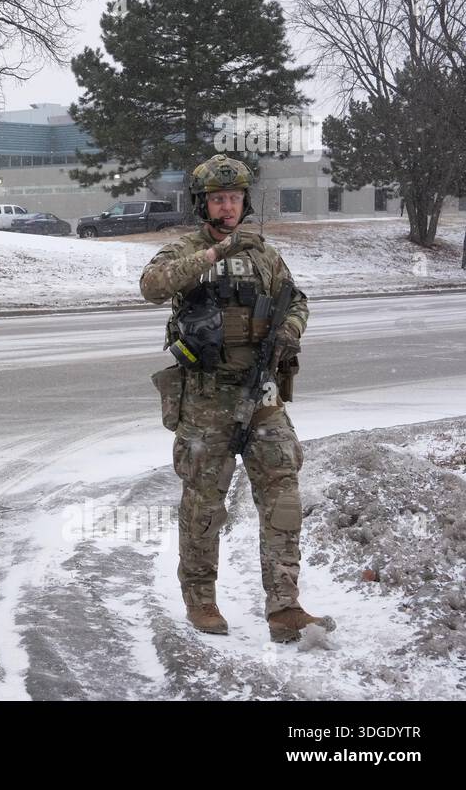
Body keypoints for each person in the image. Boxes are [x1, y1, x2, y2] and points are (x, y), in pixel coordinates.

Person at [140, 154, 335, 643]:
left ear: (245, 201)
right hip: (207, 398)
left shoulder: (265, 254)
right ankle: (202, 601)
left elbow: (298, 299)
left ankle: (285, 607)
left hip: (263, 393)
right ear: (203, 205)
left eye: (234, 198)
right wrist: (214, 254)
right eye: (218, 199)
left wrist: (291, 330)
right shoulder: (185, 250)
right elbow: (151, 286)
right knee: (205, 503)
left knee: (283, 492)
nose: (227, 206)